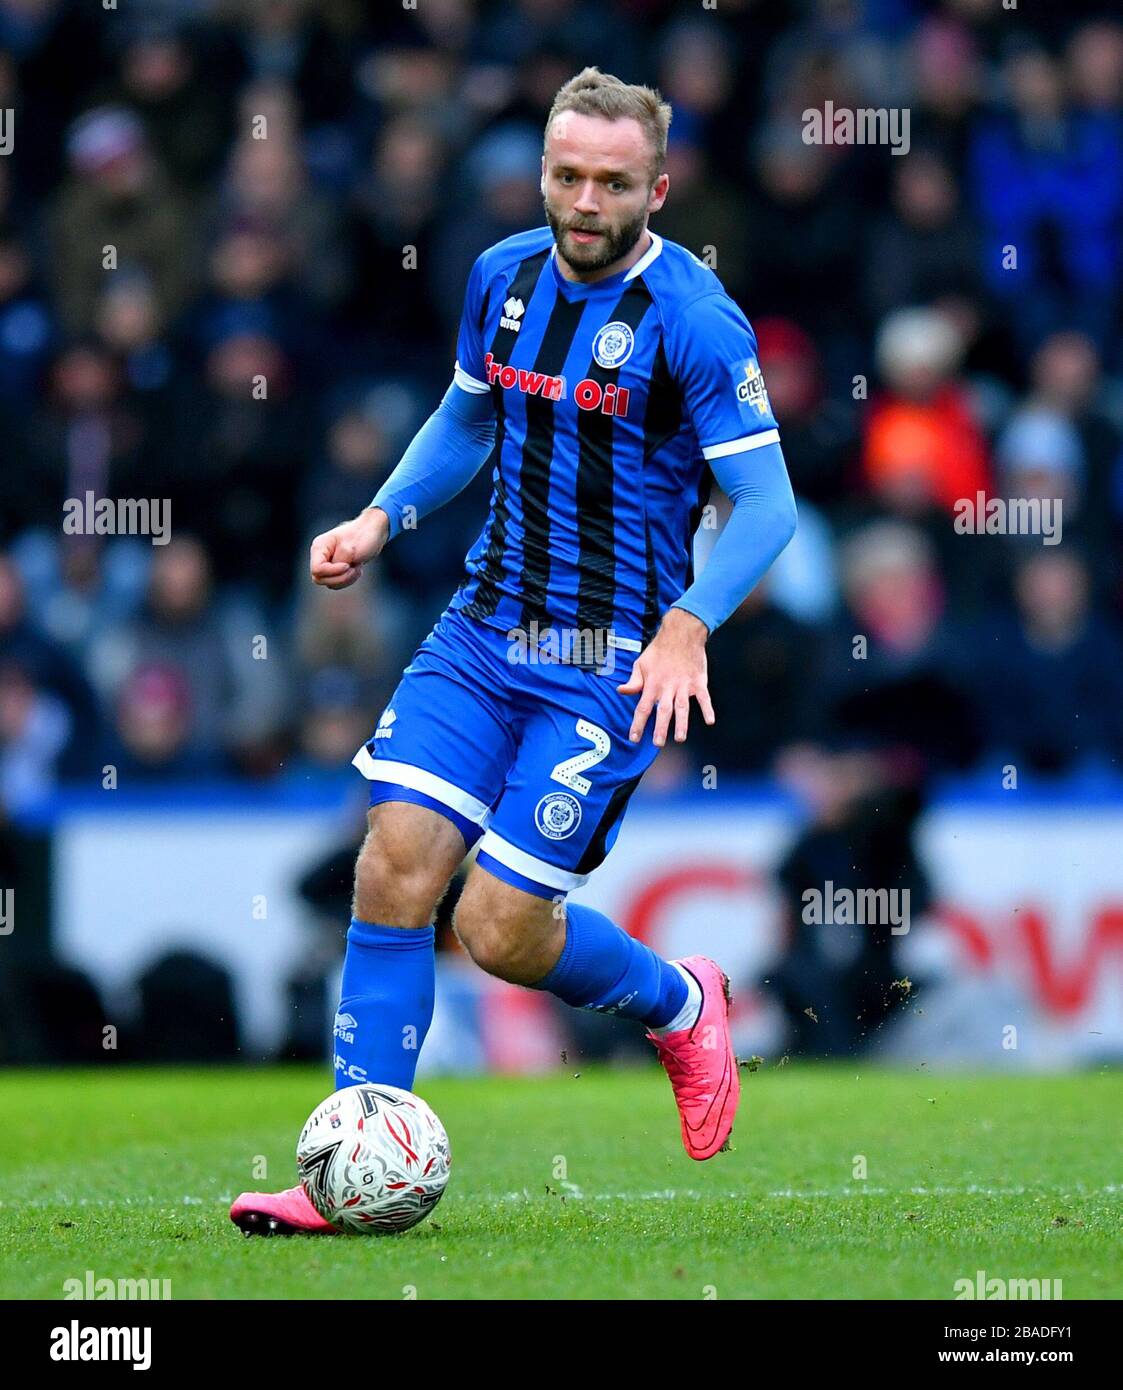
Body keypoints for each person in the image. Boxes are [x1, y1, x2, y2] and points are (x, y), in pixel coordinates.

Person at [231, 67, 797, 1235]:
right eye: (567, 175)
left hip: (604, 655)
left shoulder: (693, 318)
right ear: (542, 171)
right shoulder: (499, 279)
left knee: (496, 929)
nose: (585, 201)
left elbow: (769, 504)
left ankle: (680, 1001)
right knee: (392, 863)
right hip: (485, 627)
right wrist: (381, 516)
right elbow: (466, 418)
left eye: (613, 182)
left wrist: (688, 623)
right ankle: (348, 1165)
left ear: (658, 188)